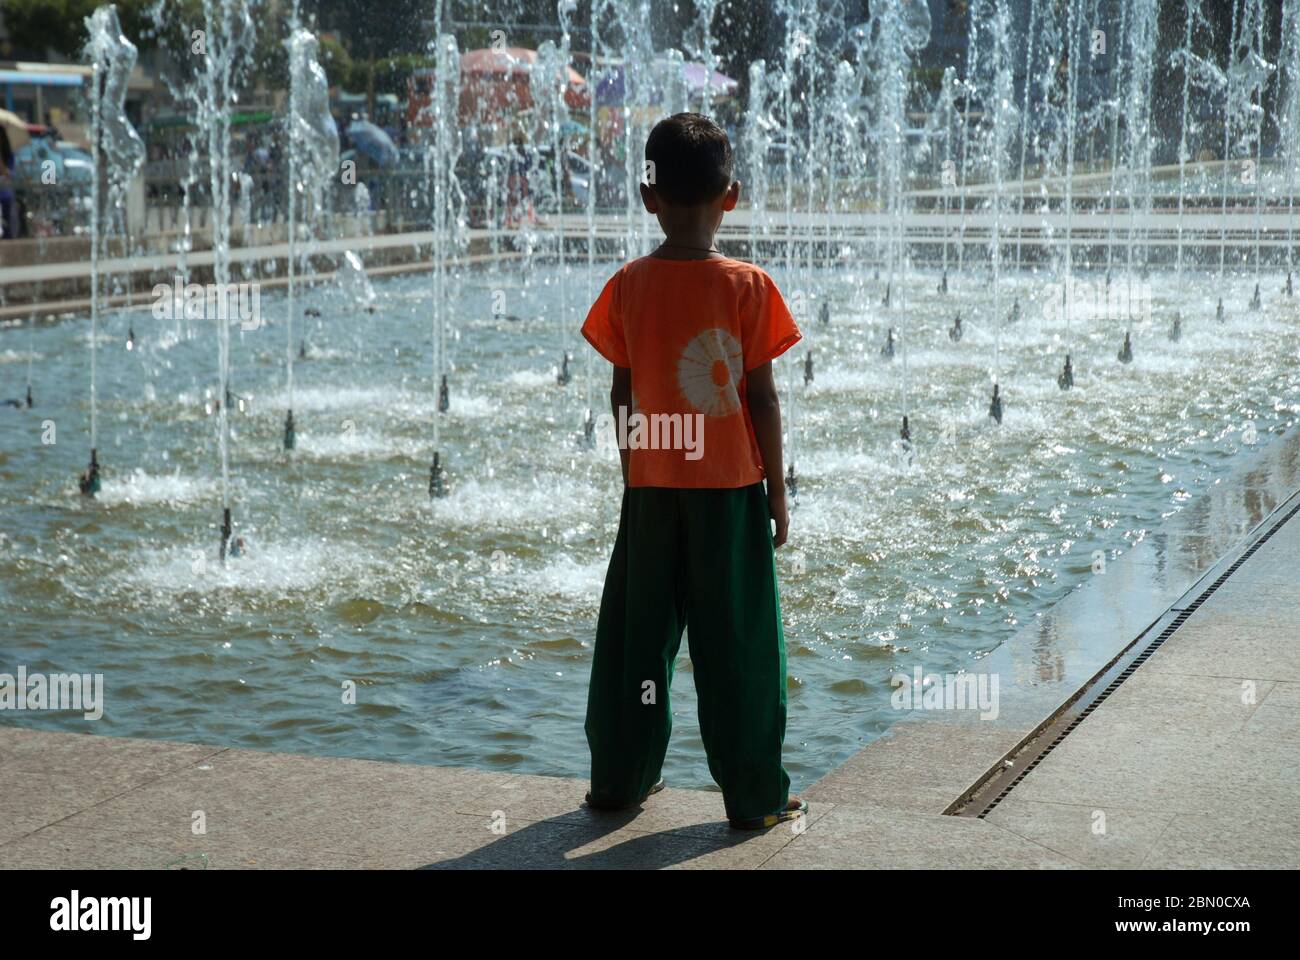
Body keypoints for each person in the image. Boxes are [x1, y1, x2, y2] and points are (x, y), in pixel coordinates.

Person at [580, 113, 806, 830]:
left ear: (649, 198)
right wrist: (777, 492)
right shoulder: (749, 285)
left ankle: (619, 780)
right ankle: (754, 795)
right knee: (736, 645)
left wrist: (632, 469)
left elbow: (621, 392)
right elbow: (760, 398)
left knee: (636, 640)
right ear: (731, 196)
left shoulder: (628, 284)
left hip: (652, 493)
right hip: (730, 492)